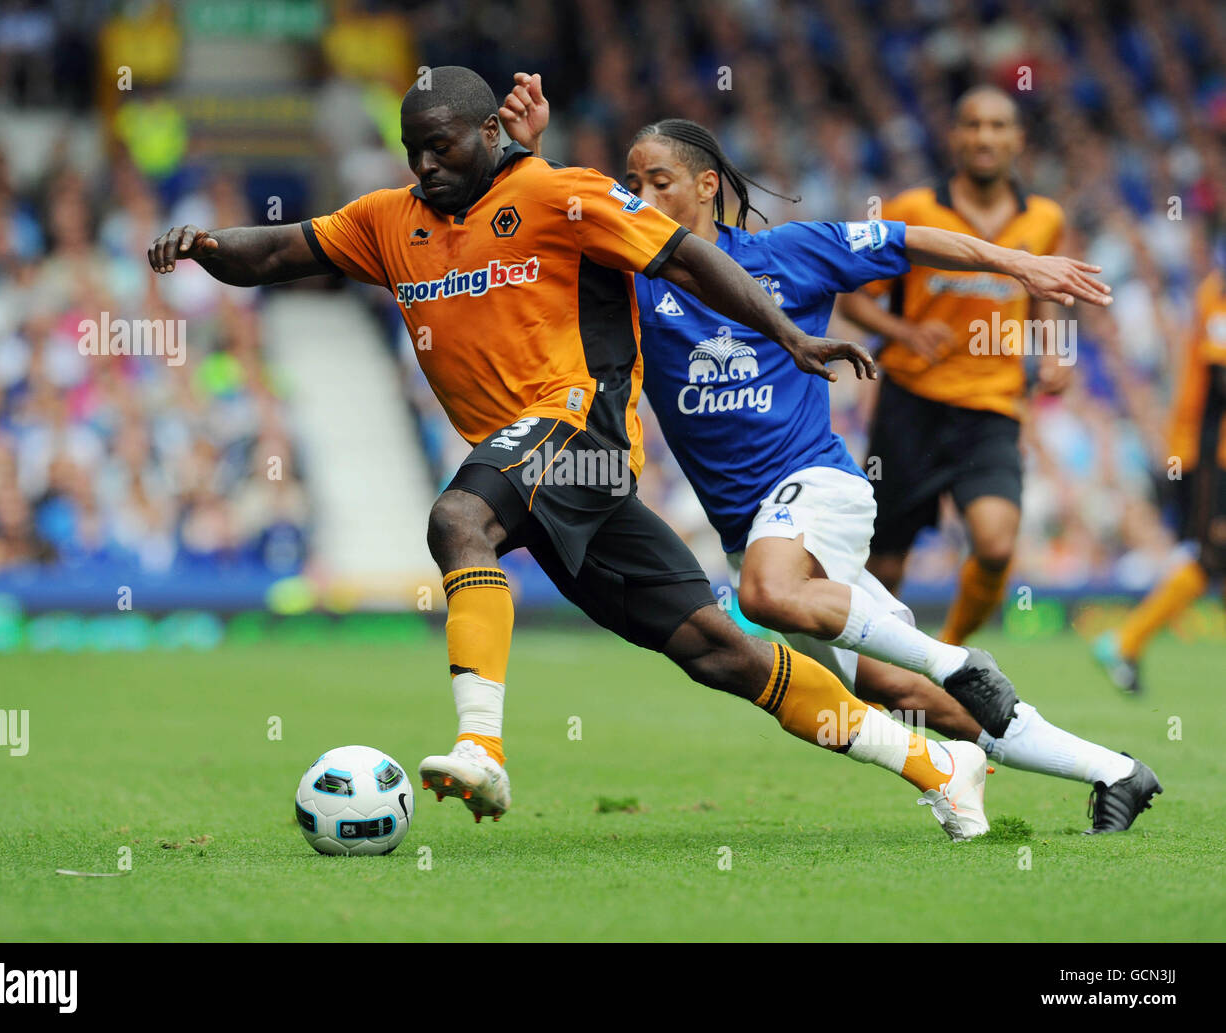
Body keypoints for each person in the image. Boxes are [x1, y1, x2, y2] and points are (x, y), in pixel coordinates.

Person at [149, 66, 995, 842]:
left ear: (489, 135)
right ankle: (935, 764)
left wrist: (788, 334)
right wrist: (203, 246)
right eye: (413, 153)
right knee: (716, 649)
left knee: (458, 518)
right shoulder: (387, 221)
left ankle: (480, 746)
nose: (425, 167)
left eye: (440, 149)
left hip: (577, 427)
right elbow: (277, 250)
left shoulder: (563, 195)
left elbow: (689, 258)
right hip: (534, 466)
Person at [500, 72, 1160, 833]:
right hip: (757, 528)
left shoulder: (792, 252)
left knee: (764, 597)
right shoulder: (638, 282)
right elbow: (555, 225)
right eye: (632, 183)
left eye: (660, 181)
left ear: (707, 186)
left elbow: (911, 241)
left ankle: (957, 659)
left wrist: (1017, 264)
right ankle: (1113, 770)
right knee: (901, 693)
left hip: (818, 489)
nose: (641, 196)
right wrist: (532, 151)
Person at [836, 85, 1072, 646]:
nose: (984, 136)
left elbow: (1044, 295)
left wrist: (1057, 352)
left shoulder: (1044, 218)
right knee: (886, 567)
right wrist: (905, 331)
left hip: (991, 407)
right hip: (911, 405)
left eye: (997, 125)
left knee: (995, 545)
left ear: (1018, 138)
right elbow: (855, 298)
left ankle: (950, 656)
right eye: (972, 125)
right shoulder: (912, 211)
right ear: (954, 137)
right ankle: (868, 675)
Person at [1094, 262, 1226, 694]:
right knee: (1211, 552)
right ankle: (1125, 640)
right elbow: (1217, 388)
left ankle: (1126, 640)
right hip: (1208, 454)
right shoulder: (1218, 293)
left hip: (1207, 451)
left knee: (1211, 559)